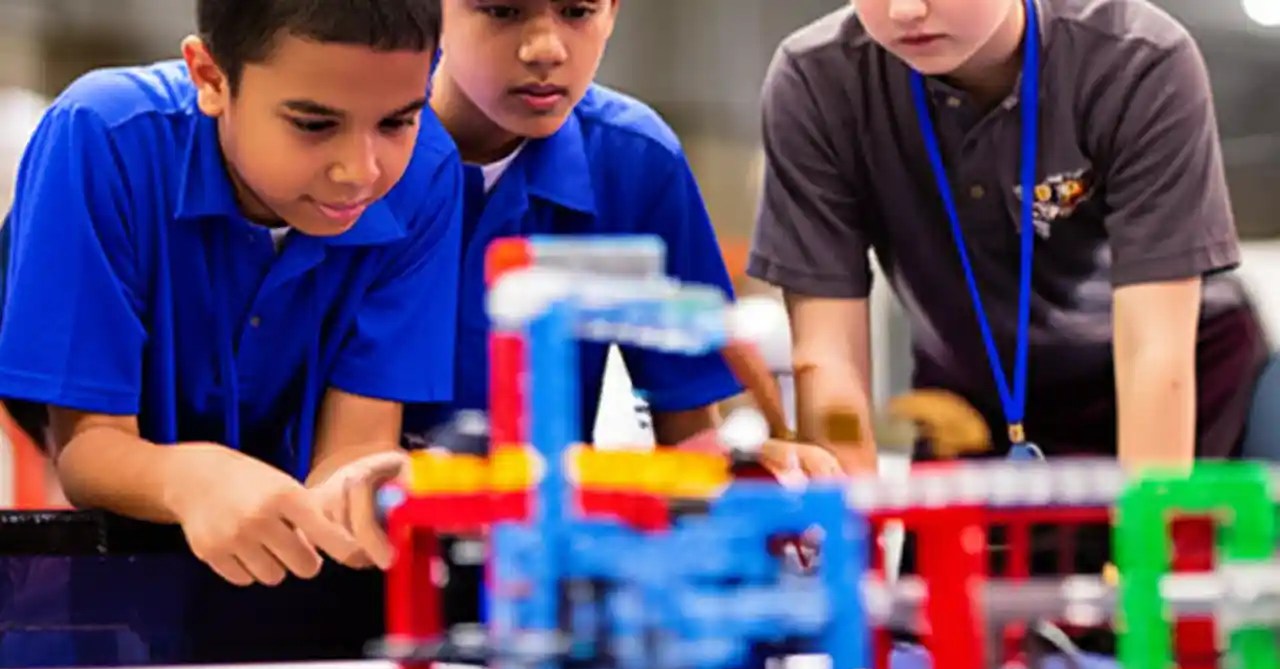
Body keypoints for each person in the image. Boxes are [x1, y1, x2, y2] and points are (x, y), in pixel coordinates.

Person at [0, 0, 461, 586]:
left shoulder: (428, 173)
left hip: (285, 573)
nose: (360, 170)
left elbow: (353, 452)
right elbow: (87, 453)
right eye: (314, 124)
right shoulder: (101, 136)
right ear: (210, 77)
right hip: (112, 559)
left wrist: (360, 490)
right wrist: (190, 479)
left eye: (396, 122)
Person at [749, 0, 1271, 473]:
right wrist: (853, 551)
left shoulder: (1137, 59)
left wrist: (1147, 548)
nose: (906, 10)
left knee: (1155, 565)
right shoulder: (818, 80)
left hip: (1168, 384)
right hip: (975, 397)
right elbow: (827, 356)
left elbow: (1155, 353)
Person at [405, 0, 840, 474]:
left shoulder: (636, 159)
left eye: (576, 11)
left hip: (545, 528)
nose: (545, 49)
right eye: (502, 11)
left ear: (612, 10)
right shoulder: (354, 157)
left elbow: (690, 433)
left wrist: (751, 468)